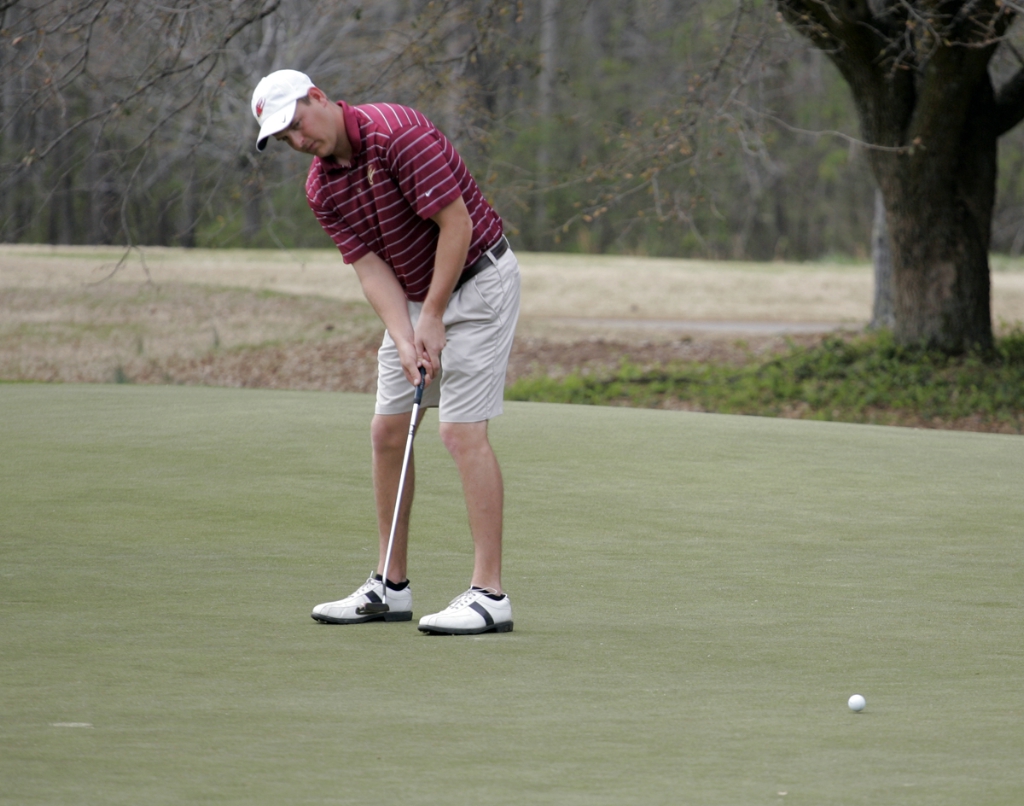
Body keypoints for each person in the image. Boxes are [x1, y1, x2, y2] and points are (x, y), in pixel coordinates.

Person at [250, 69, 520, 635]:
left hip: (478, 280)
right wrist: (403, 335)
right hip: (415, 296)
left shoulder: (396, 132)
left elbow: (456, 224)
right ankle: (389, 587)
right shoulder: (321, 188)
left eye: (297, 124)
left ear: (318, 97)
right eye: (284, 138)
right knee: (388, 431)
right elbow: (370, 270)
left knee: (459, 432)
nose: (298, 141)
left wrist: (433, 316)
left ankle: (490, 594)